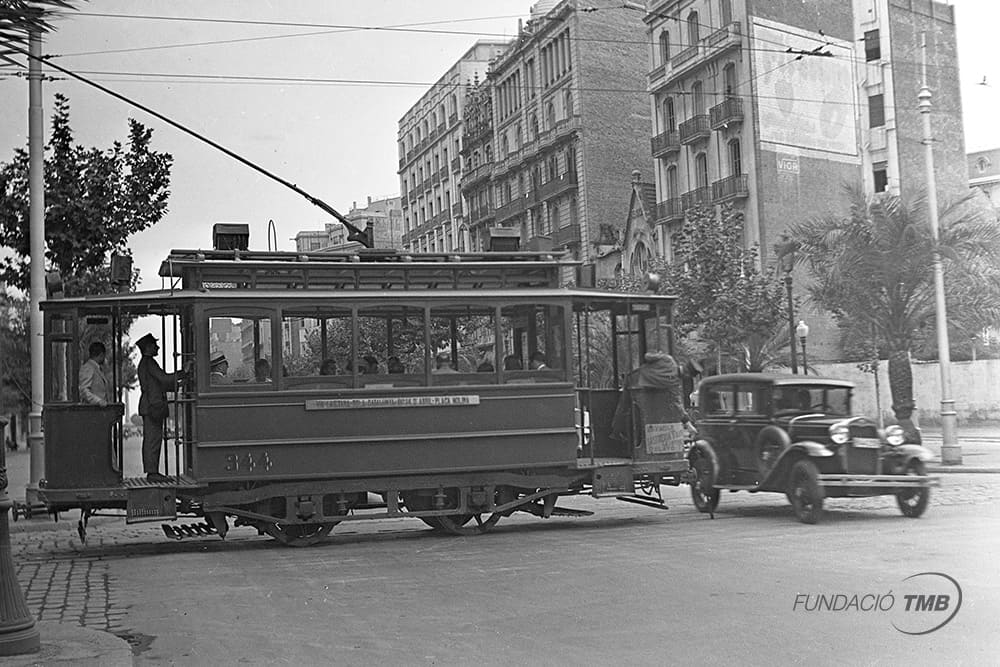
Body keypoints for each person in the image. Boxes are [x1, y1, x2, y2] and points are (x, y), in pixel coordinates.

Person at [136, 333, 183, 483]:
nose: (158, 347)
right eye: (155, 345)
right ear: (148, 347)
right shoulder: (149, 363)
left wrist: (180, 382)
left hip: (151, 405)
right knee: (153, 440)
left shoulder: (146, 363)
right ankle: (152, 472)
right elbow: (164, 379)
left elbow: (162, 382)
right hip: (152, 406)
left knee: (152, 439)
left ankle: (152, 471)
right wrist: (183, 372)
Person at [79, 341, 111, 406]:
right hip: (92, 411)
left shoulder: (97, 369)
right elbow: (84, 390)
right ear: (102, 355)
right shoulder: (88, 368)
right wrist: (98, 401)